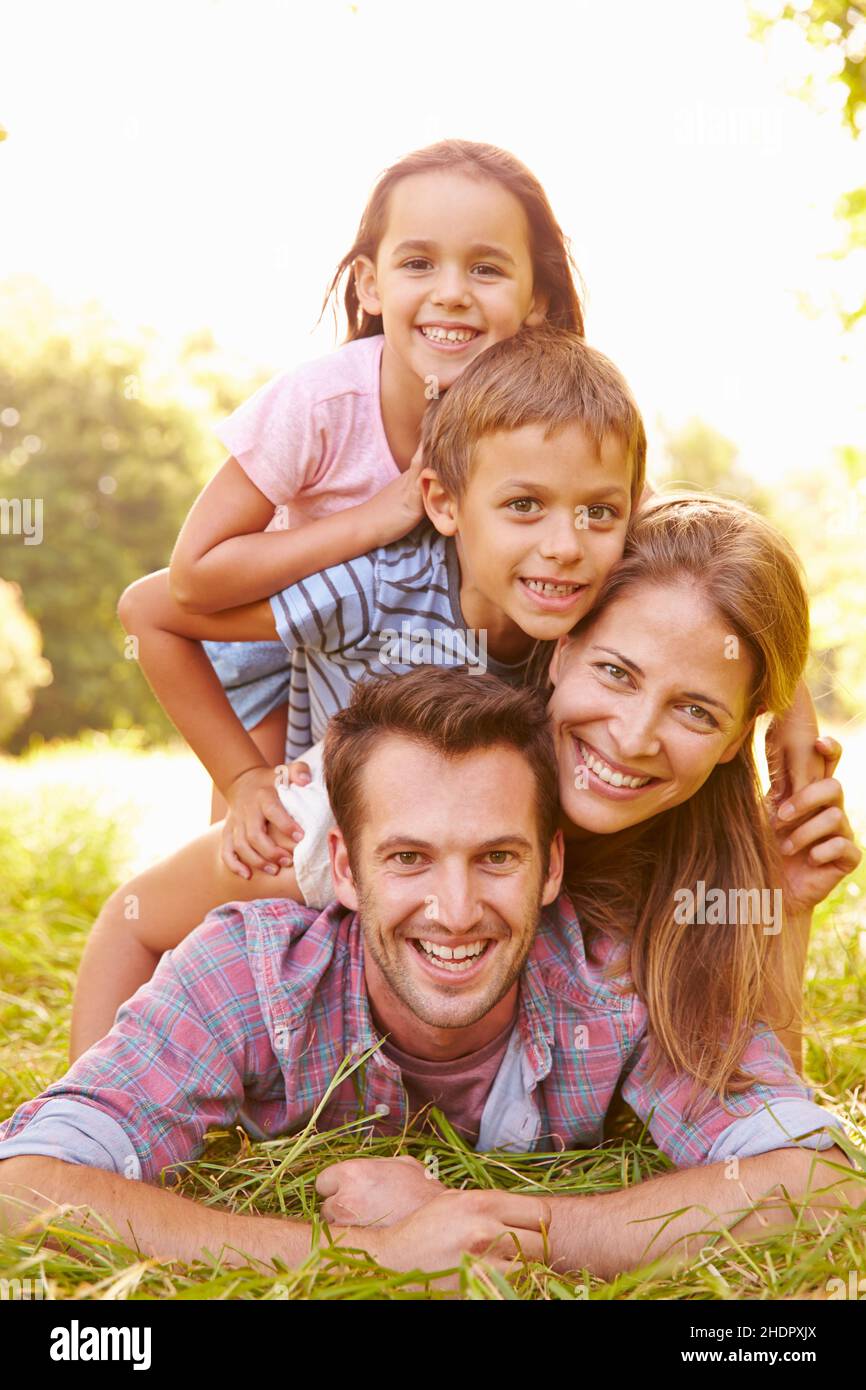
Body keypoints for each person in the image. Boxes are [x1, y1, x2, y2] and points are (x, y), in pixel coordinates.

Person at [0, 671, 858, 1283]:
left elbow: (824, 1186)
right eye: (409, 858)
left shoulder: (618, 980)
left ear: (553, 866)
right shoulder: (249, 973)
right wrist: (375, 1255)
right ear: (344, 868)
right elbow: (22, 1185)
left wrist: (496, 1231)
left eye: (497, 858)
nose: (455, 910)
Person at [165, 138, 583, 823]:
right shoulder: (321, 405)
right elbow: (192, 579)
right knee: (259, 849)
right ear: (370, 283)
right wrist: (372, 520)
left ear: (536, 297)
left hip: (438, 661)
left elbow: (651, 536)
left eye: (486, 268)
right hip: (285, 642)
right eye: (418, 263)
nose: (451, 293)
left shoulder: (553, 420)